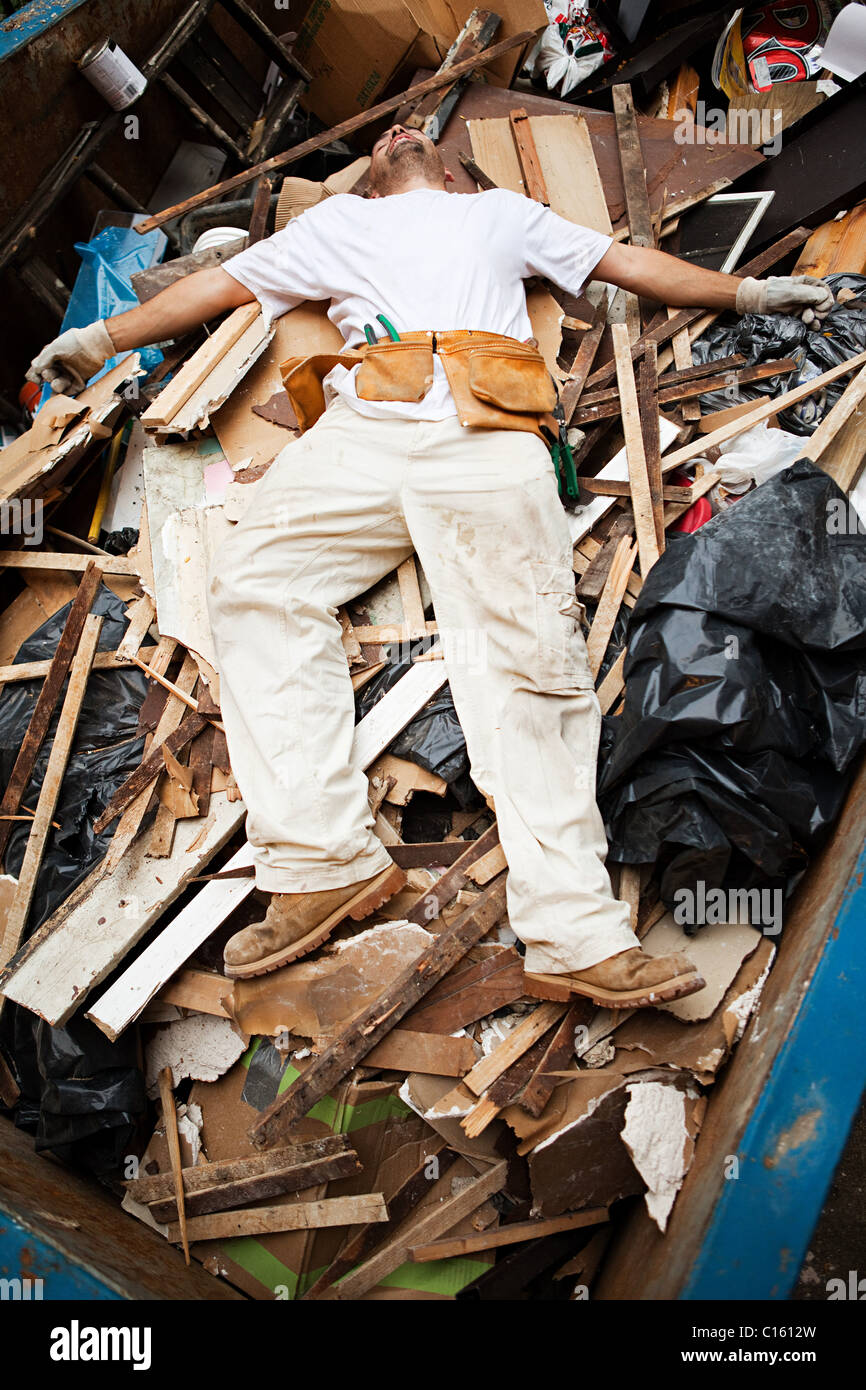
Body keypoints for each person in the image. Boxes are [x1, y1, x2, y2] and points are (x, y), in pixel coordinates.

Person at [28, 126, 833, 1010]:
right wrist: (99, 338)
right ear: (375, 175)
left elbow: (626, 264)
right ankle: (323, 864)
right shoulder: (338, 225)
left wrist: (749, 292)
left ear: (447, 167)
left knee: (527, 658)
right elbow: (217, 286)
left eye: (419, 133)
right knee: (252, 583)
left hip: (488, 432)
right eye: (389, 136)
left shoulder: (498, 213)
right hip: (366, 429)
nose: (403, 132)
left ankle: (574, 934)